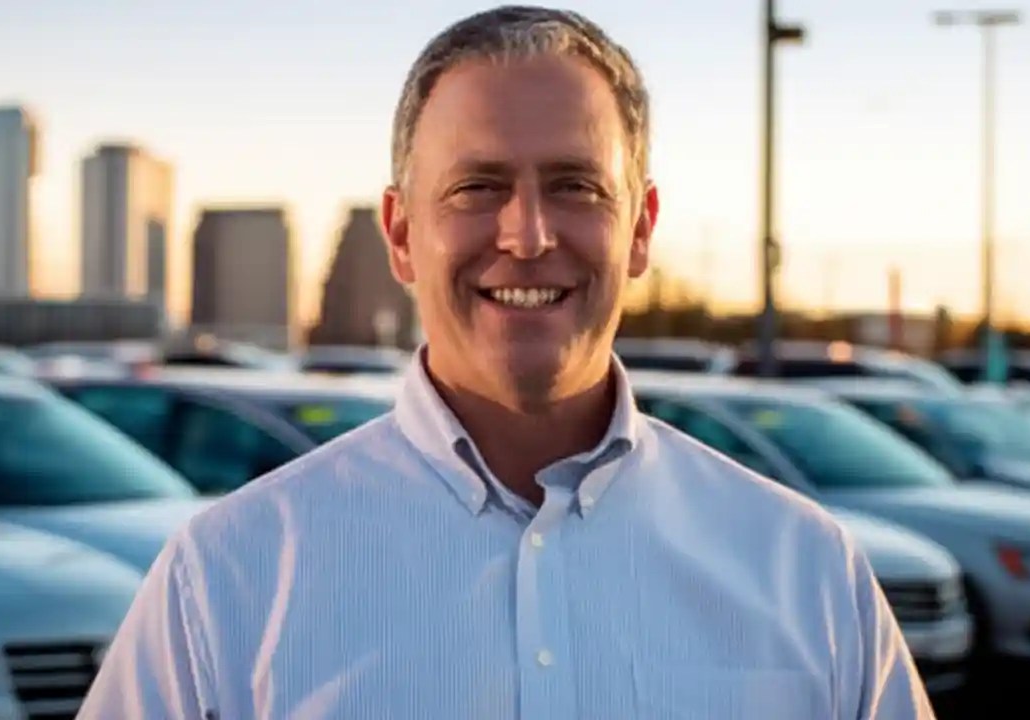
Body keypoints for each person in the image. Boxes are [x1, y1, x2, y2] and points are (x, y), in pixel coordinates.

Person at [78, 6, 934, 719]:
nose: (527, 235)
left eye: (576, 186)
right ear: (403, 234)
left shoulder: (808, 570)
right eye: (477, 187)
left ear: (640, 229)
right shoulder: (230, 577)